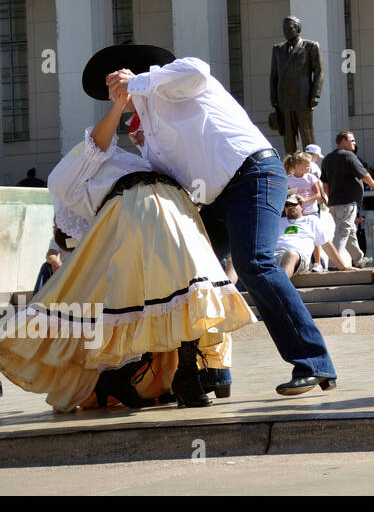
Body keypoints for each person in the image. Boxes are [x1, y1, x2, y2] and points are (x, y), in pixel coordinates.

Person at [0, 54, 253, 411]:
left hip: (174, 209)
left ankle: (173, 374)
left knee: (188, 288)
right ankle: (184, 377)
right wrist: (119, 105)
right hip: (143, 207)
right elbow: (94, 147)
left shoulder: (145, 157)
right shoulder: (85, 167)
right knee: (187, 285)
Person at [103, 46, 339, 396]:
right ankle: (210, 372)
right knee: (189, 276)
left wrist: (138, 81)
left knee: (255, 265)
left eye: (116, 82)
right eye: (112, 91)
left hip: (253, 175)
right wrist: (144, 147)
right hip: (216, 200)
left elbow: (198, 70)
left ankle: (314, 363)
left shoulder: (171, 81)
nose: (117, 93)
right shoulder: (147, 135)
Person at [322, 130, 374, 268]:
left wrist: (329, 199)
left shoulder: (327, 159)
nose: (354, 143)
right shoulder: (348, 155)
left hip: (335, 203)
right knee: (343, 232)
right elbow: (363, 174)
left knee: (350, 231)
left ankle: (359, 259)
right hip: (347, 203)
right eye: (351, 140)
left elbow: (325, 183)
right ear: (342, 141)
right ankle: (333, 265)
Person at [269, 15, 323, 154]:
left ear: (298, 29)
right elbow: (274, 76)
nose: (286, 31)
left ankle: (311, 167)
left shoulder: (310, 46)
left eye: (289, 28)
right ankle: (291, 169)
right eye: (284, 28)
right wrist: (273, 98)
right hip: (284, 100)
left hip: (303, 98)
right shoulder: (277, 49)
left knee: (307, 135)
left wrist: (315, 95)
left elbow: (319, 72)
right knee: (288, 139)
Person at [275, 194, 328, 276]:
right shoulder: (278, 221)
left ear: (301, 206)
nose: (290, 207)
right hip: (276, 255)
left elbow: (326, 244)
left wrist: (343, 267)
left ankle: (278, 287)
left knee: (290, 254)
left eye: (293, 204)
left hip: (297, 257)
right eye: (287, 205)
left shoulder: (311, 220)